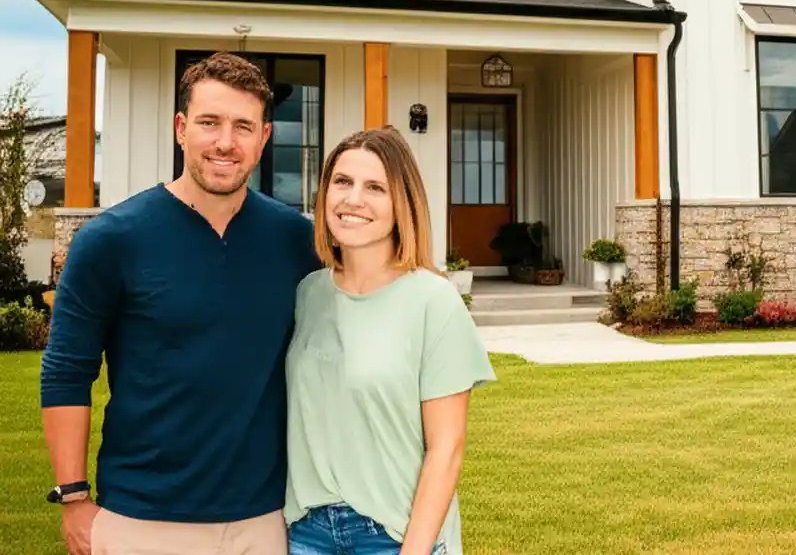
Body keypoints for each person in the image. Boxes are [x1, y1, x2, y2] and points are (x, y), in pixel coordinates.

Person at [40, 52, 320, 554]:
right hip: (141, 517)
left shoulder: (297, 242)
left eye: (242, 126)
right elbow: (65, 371)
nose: (225, 142)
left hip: (265, 518)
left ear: (263, 138)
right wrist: (75, 497)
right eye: (209, 123)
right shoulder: (112, 240)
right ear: (181, 128)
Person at [284, 126, 495, 555]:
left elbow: (446, 449)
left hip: (393, 535)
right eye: (342, 182)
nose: (353, 199)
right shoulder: (308, 293)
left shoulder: (434, 301)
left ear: (402, 203)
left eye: (375, 187)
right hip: (306, 533)